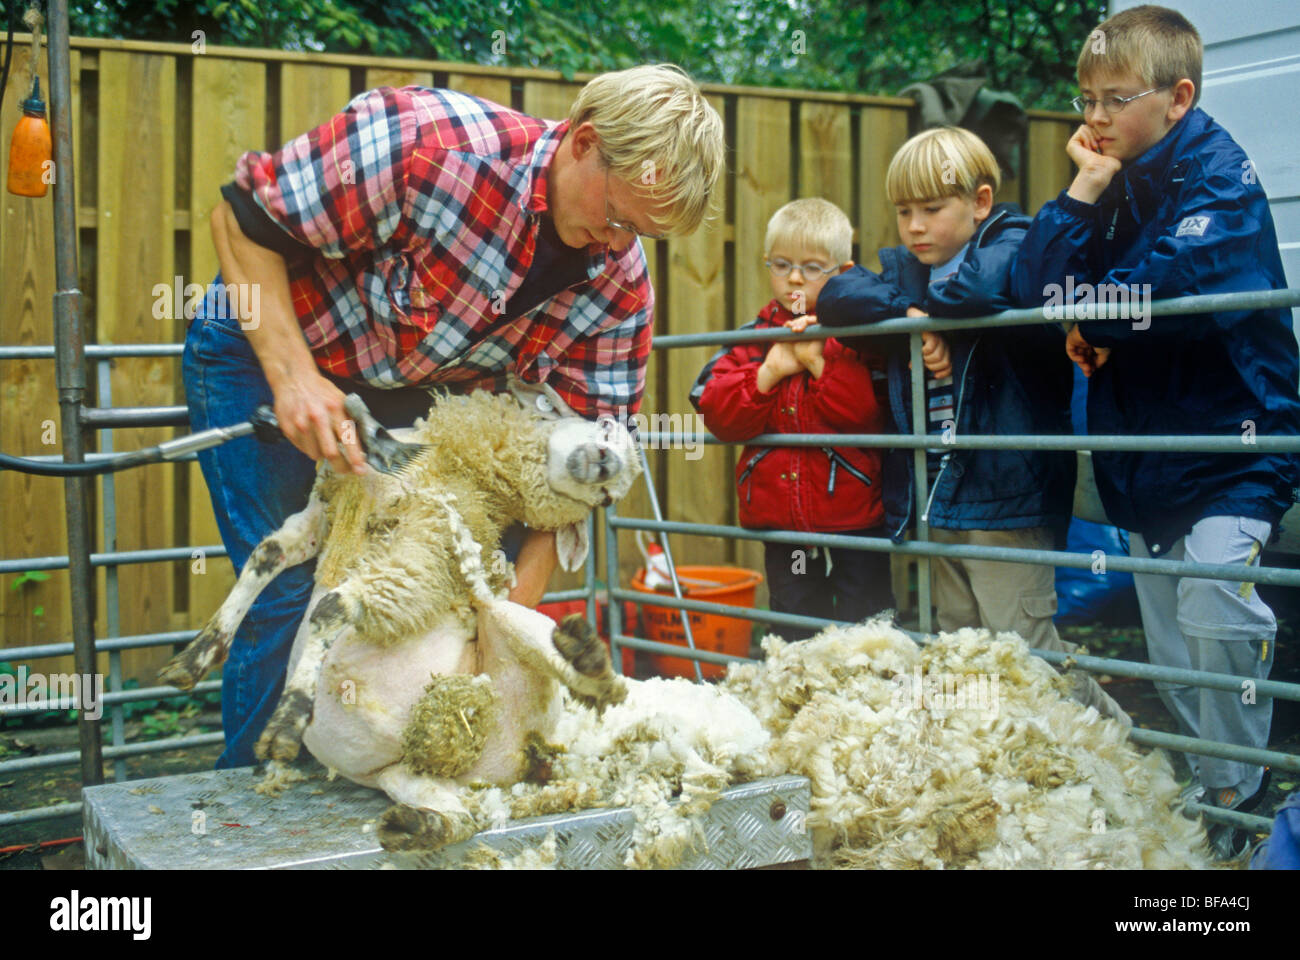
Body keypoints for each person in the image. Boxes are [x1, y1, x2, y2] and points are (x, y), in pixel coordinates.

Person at [183, 65, 725, 768]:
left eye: (642, 235)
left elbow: (590, 464)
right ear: (585, 143)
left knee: (429, 591)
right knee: (288, 591)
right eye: (619, 218)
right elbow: (243, 218)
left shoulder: (619, 288)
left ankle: (370, 788)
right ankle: (255, 814)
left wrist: (504, 615)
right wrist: (293, 378)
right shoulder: (426, 144)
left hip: (407, 386)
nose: (620, 247)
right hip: (264, 344)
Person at [1011, 5, 1300, 857]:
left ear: (1177, 97)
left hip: (1232, 444)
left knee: (1216, 600)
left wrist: (1093, 318)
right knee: (1171, 647)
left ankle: (1244, 789)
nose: (1091, 119)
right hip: (1143, 448)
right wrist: (1080, 195)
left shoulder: (1222, 177)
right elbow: (1037, 284)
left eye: (1112, 99)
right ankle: (1217, 785)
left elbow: (1159, 296)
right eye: (1084, 98)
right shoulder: (1111, 171)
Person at [815, 126, 1128, 723]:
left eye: (932, 209)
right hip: (939, 494)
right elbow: (835, 296)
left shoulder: (1016, 242)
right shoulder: (909, 273)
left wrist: (926, 318)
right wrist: (910, 315)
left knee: (1026, 649)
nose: (913, 226)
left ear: (980, 202)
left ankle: (1116, 739)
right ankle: (1000, 762)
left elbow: (983, 286)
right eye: (904, 211)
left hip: (1006, 497)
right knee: (961, 648)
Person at [690, 198, 893, 640]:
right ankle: (799, 697)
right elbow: (718, 412)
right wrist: (771, 370)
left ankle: (867, 699)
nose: (795, 278)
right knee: (795, 618)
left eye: (813, 267)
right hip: (784, 526)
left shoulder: (859, 339)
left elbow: (869, 417)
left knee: (867, 621)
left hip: (856, 516)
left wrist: (821, 363)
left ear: (843, 271)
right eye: (781, 264)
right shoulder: (754, 338)